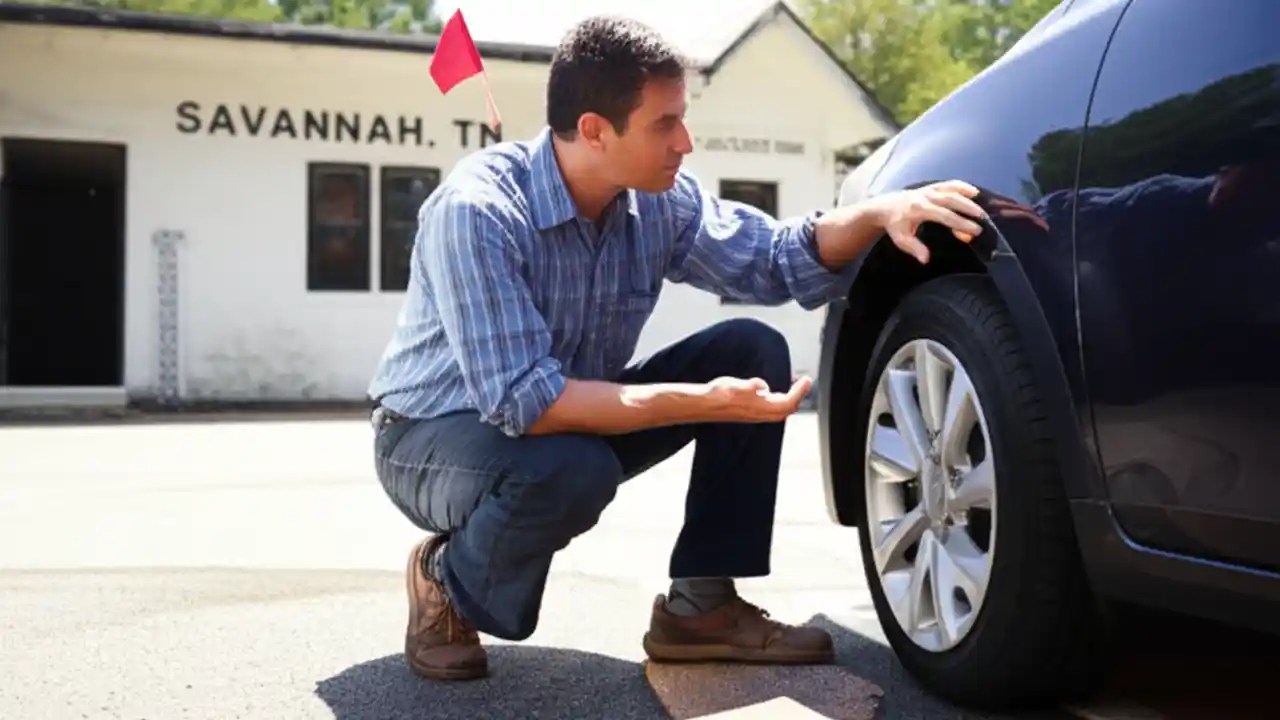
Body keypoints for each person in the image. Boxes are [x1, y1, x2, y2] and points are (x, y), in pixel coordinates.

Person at [366, 15, 986, 681]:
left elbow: (776, 259)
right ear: (597, 131)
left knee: (748, 350)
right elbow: (527, 404)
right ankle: (444, 579)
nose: (684, 142)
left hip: (566, 428)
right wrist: (703, 402)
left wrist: (875, 214)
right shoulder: (479, 213)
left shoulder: (657, 204)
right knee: (569, 468)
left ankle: (701, 607)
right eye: (665, 124)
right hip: (434, 440)